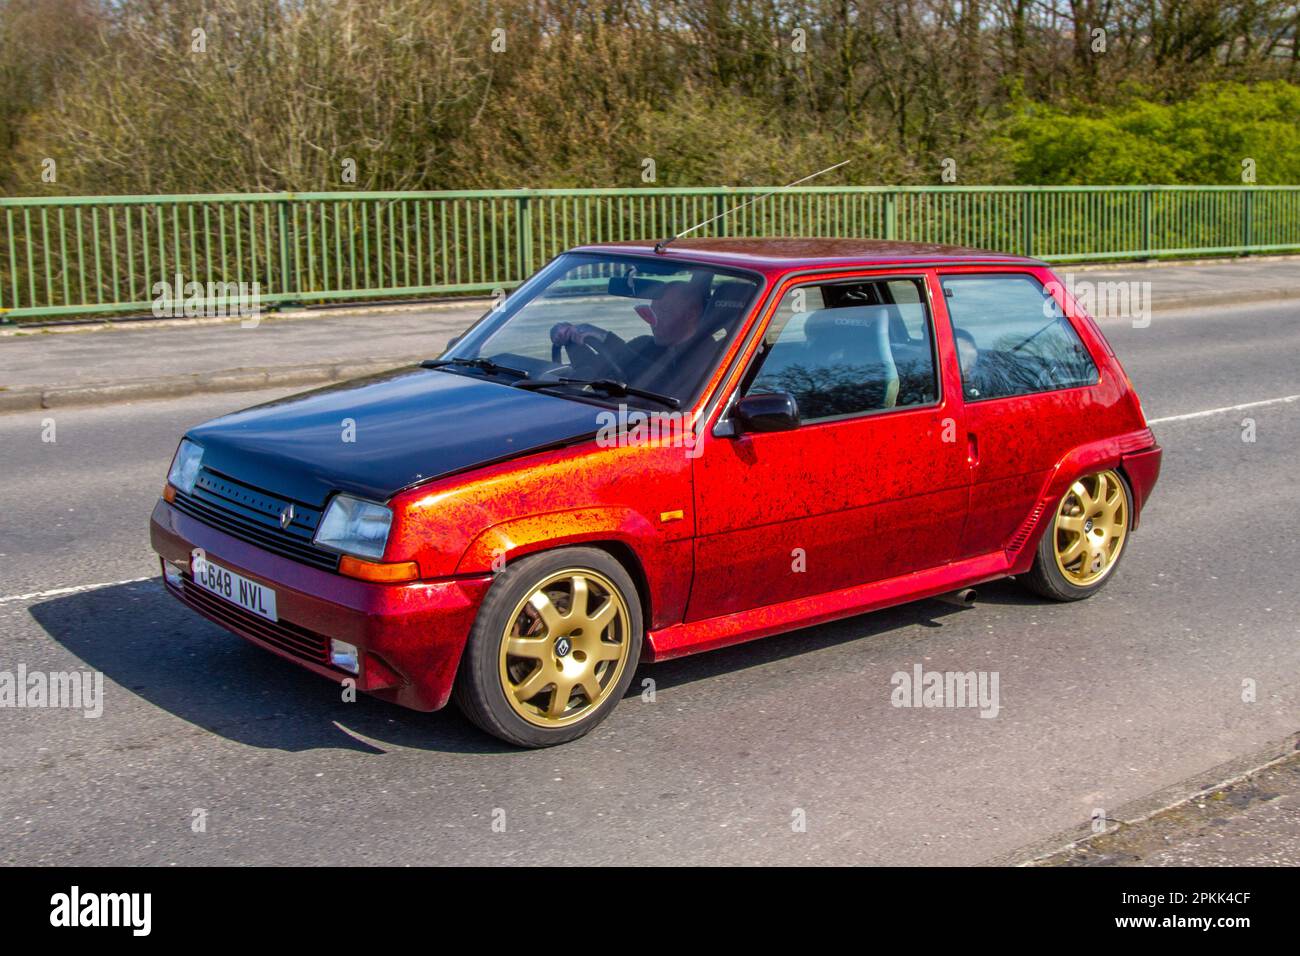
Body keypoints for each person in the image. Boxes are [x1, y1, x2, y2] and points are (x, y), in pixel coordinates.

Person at [549, 275, 713, 397]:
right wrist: (572, 339)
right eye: (651, 311)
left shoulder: (709, 357)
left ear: (691, 315)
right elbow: (600, 368)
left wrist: (606, 339)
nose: (652, 321)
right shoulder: (645, 344)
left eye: (663, 311)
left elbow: (664, 384)